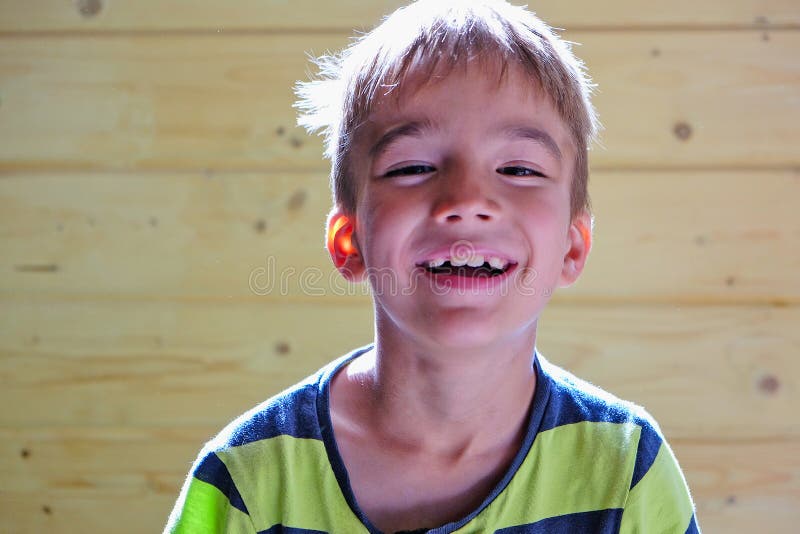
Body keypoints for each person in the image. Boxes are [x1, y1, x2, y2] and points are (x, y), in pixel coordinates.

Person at [164, 1, 700, 532]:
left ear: (572, 246)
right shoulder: (247, 483)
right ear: (349, 240)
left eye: (518, 168)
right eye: (413, 167)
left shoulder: (626, 472)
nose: (466, 198)